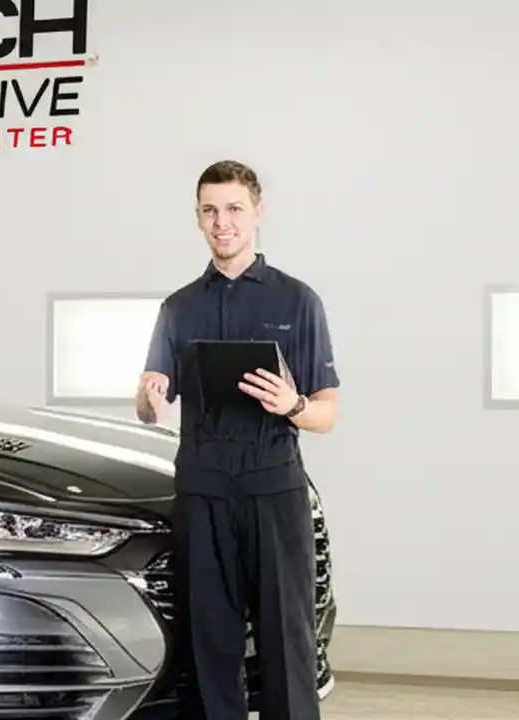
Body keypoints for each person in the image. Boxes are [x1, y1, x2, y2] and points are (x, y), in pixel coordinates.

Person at [136, 160, 340, 720]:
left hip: (273, 488)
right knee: (210, 644)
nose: (221, 222)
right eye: (209, 211)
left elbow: (327, 412)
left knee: (286, 643)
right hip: (202, 491)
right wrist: (150, 397)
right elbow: (148, 406)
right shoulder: (178, 308)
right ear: (198, 218)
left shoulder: (297, 302)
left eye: (232, 209)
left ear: (257, 212)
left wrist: (293, 405)